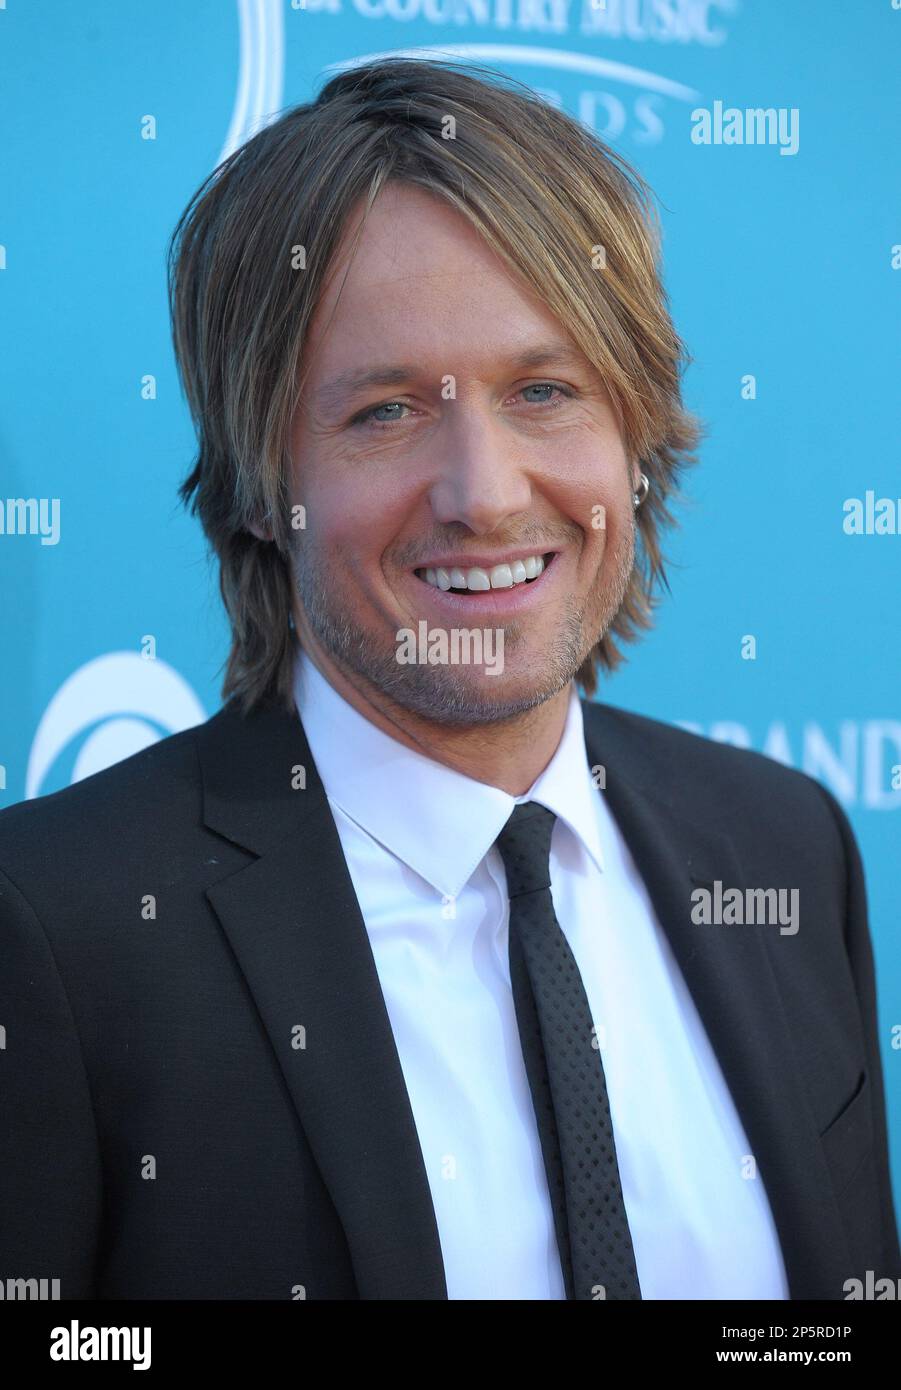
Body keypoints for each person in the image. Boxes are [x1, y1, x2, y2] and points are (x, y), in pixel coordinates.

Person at [1, 58, 897, 1301]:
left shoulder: (782, 848)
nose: (483, 492)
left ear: (633, 435)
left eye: (544, 391)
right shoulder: (55, 926)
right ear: (262, 482)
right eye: (383, 413)